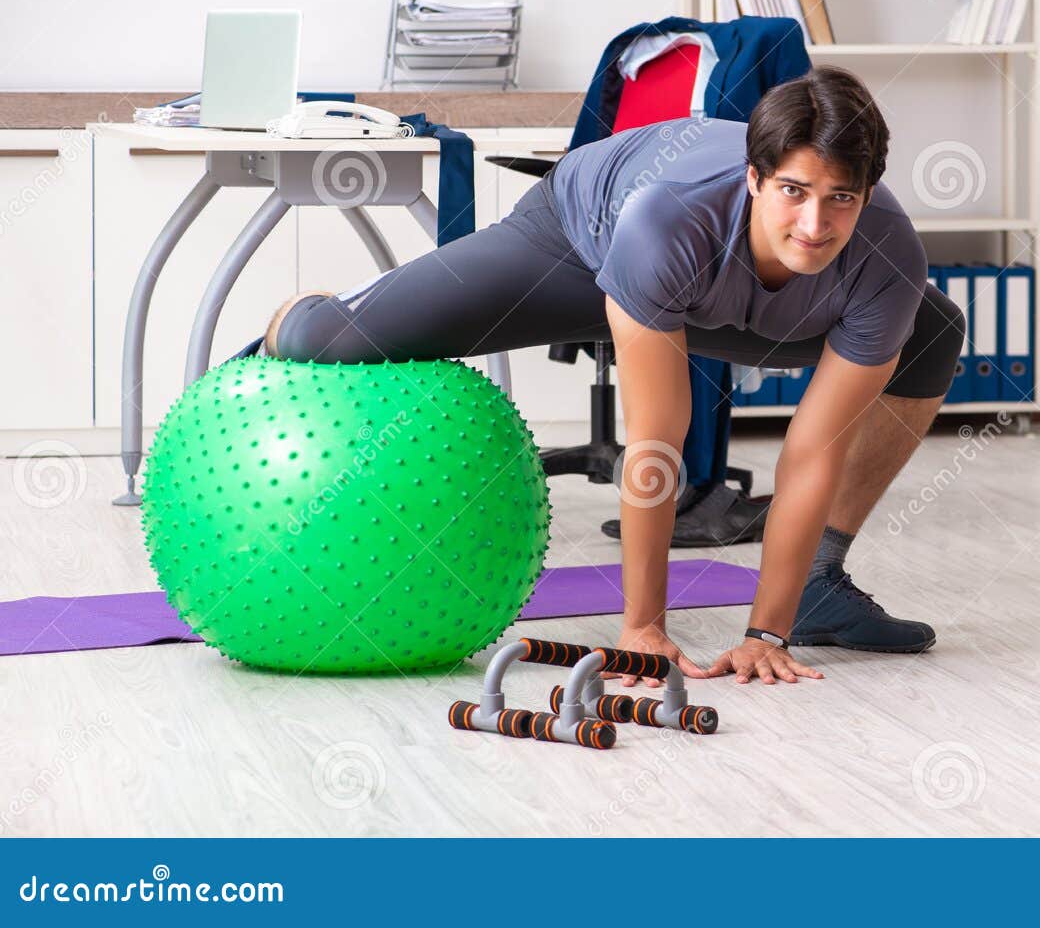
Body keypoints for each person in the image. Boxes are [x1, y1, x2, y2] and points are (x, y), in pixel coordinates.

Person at [264, 66, 965, 686]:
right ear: (755, 178)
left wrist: (764, 634)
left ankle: (817, 586)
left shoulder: (886, 258)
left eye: (841, 198)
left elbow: (813, 451)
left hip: (723, 299)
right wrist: (643, 627)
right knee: (332, 339)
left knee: (933, 332)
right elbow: (658, 439)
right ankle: (303, 316)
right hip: (576, 245)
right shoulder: (672, 218)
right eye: (793, 191)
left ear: (868, 193)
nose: (814, 223)